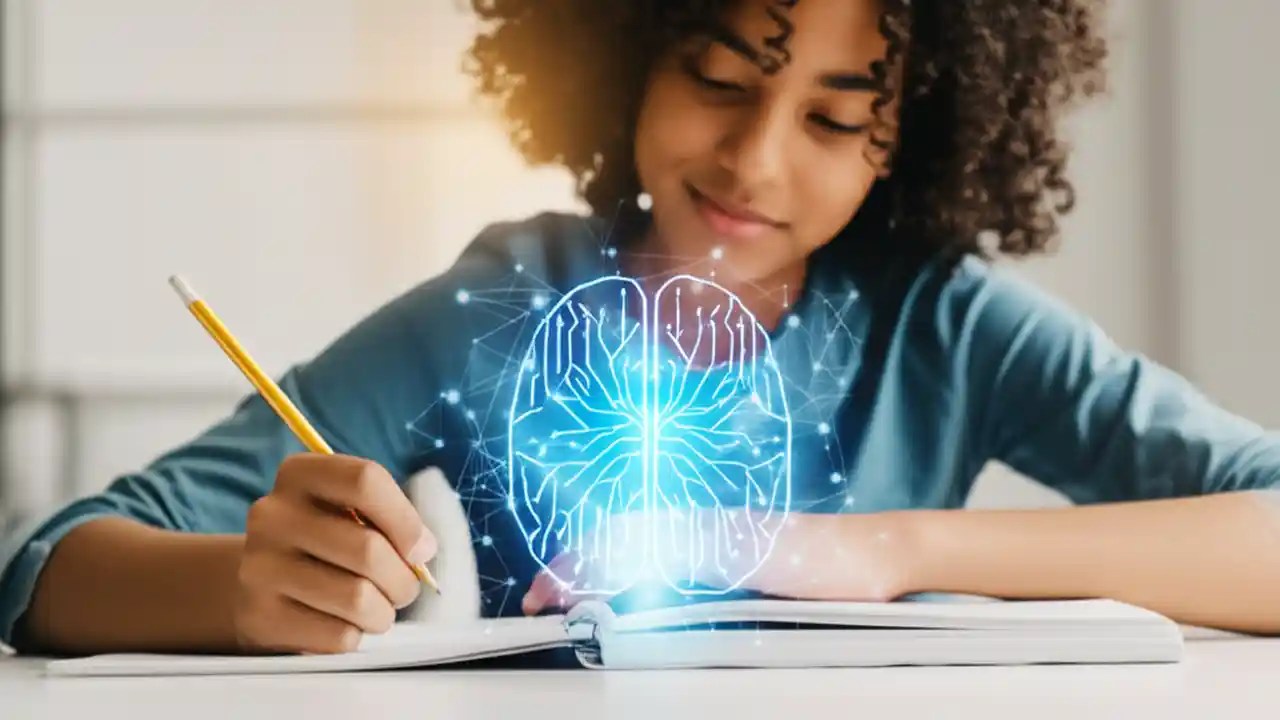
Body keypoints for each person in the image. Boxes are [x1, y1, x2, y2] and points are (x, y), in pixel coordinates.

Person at [5, 0, 1280, 656]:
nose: (754, 161)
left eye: (835, 122)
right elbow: (49, 567)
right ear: (621, 53)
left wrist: (872, 550)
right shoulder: (493, 310)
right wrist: (247, 589)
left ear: (917, 143)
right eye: (717, 81)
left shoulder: (947, 325)